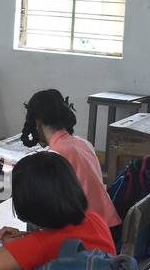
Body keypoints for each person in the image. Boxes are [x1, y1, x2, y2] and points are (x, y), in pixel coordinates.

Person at [20, 89, 121, 231]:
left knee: (33, 212)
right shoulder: (83, 143)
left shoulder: (56, 155)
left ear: (37, 122)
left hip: (86, 232)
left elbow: (52, 206)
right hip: (106, 225)